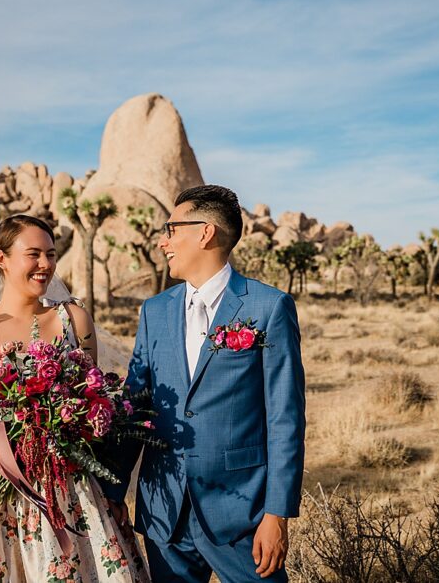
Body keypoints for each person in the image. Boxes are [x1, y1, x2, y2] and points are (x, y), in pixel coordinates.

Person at [104, 185, 306, 582]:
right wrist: (114, 490)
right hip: (165, 513)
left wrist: (276, 514)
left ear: (205, 232)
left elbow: (286, 418)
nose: (164, 241)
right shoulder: (154, 311)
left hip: (242, 513)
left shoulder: (268, 307)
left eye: (171, 229)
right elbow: (136, 405)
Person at [0, 214, 150, 583]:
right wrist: (3, 457)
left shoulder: (74, 321)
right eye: (33, 254)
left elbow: (91, 400)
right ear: (1, 258)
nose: (45, 265)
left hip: (71, 483)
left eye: (51, 255)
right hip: (1, 491)